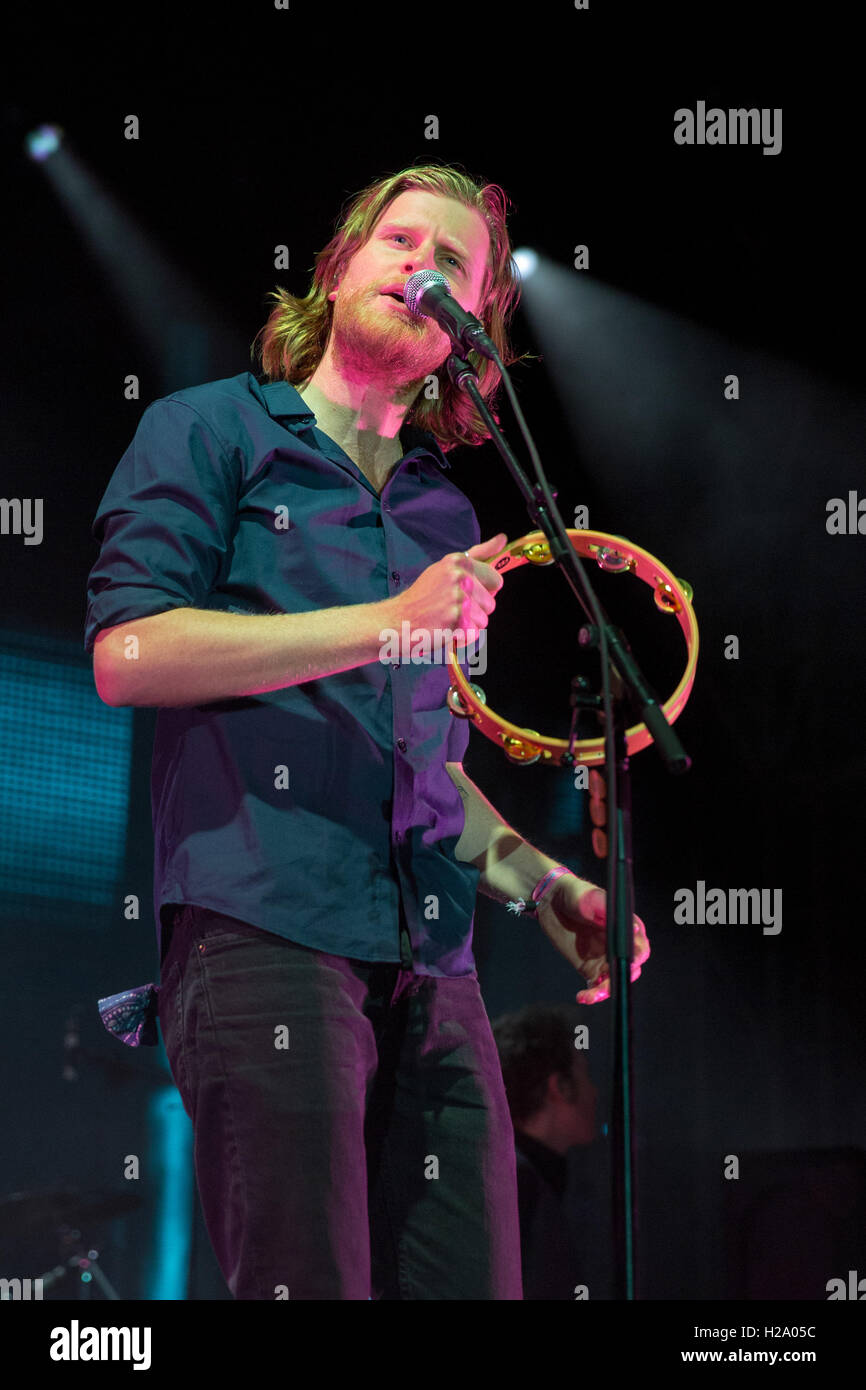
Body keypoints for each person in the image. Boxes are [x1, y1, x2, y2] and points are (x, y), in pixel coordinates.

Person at [84, 161, 649, 1300]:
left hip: (430, 962)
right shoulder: (209, 432)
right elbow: (127, 656)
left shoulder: (447, 509)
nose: (421, 271)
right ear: (337, 270)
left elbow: (429, 757)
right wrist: (387, 621)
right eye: (400, 243)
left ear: (469, 335)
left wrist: (541, 883)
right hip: (263, 931)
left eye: (454, 267)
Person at [493, 1002, 614, 1299]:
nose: (594, 1091)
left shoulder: (518, 1177)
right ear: (558, 1086)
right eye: (584, 1073)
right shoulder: (519, 1184)